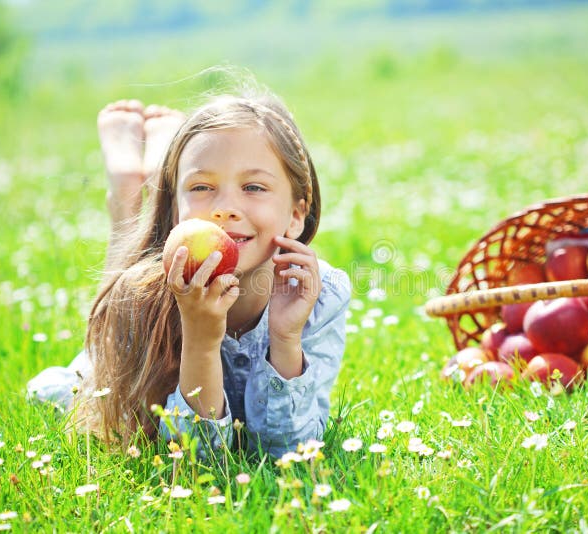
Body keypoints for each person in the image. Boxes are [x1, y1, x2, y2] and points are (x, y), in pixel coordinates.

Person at [27, 90, 351, 458]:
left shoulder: (320, 294)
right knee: (67, 387)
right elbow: (196, 456)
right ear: (176, 211)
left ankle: (151, 179)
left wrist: (286, 339)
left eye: (253, 187)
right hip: (130, 322)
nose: (225, 209)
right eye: (201, 187)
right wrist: (199, 337)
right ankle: (128, 196)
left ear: (296, 214)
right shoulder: (146, 297)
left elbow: (291, 448)